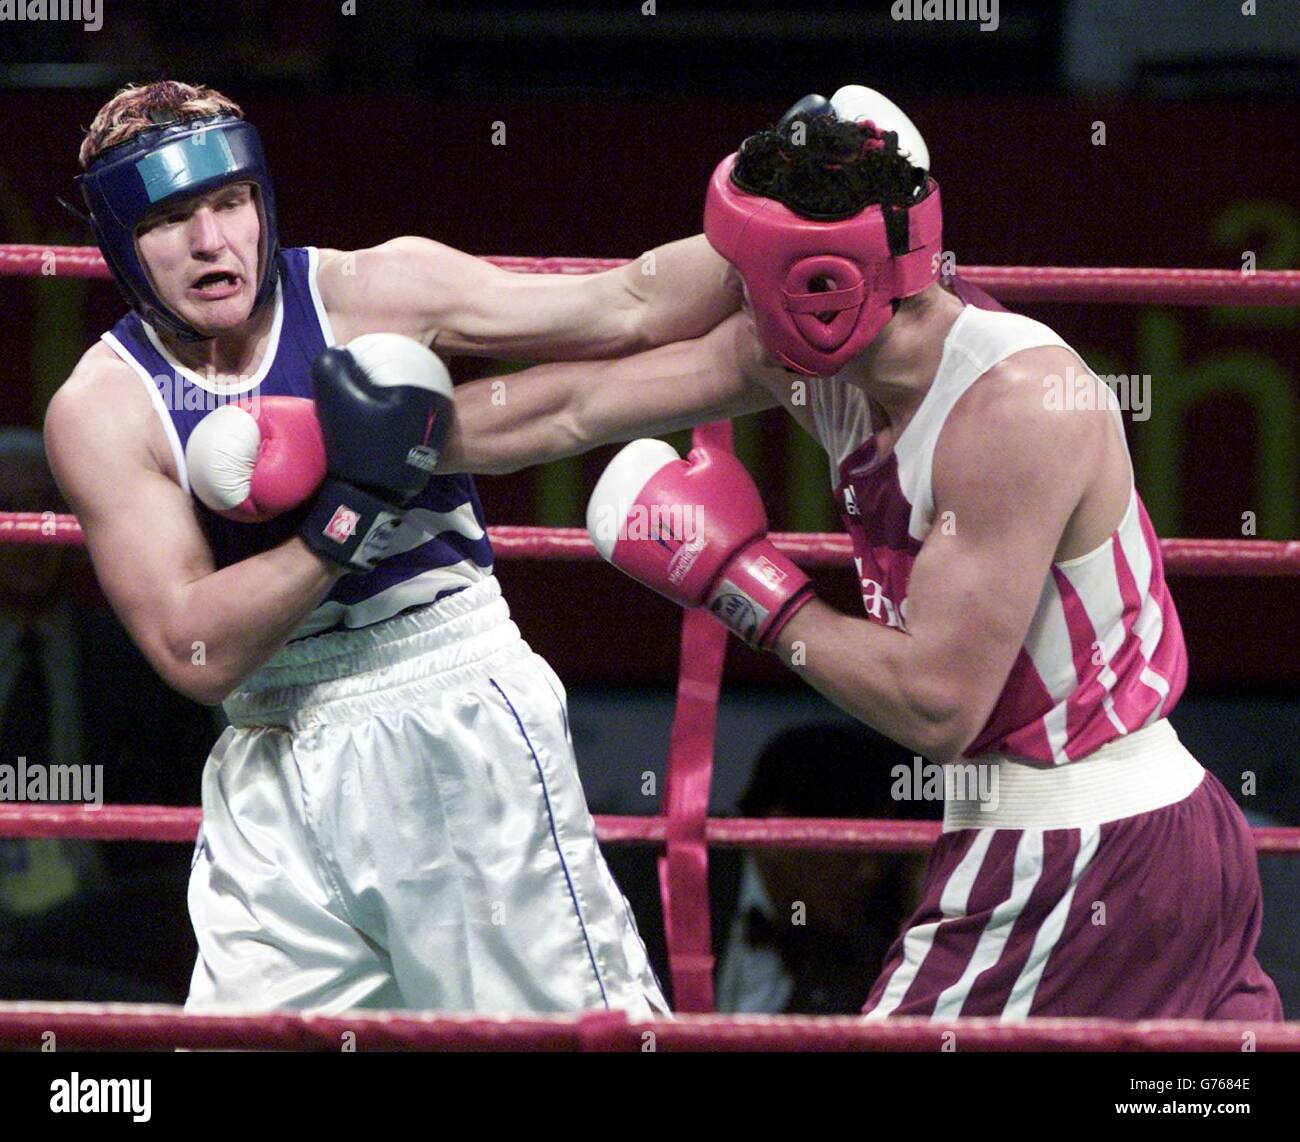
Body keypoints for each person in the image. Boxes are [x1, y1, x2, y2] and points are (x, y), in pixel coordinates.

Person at [434, 86, 1283, 1020]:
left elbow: (936, 706)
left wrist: (742, 583)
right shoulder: (817, 367)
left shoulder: (1010, 410)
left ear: (822, 291)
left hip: (1081, 844)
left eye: (747, 277)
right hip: (1109, 839)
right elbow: (578, 404)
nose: (729, 296)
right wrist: (387, 437)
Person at [43, 80, 743, 1015]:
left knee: (561, 1048)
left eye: (230, 202)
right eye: (173, 219)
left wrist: (783, 212)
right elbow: (192, 648)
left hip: (448, 709)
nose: (214, 240)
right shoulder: (104, 407)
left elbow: (624, 307)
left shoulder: (369, 290)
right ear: (122, 245)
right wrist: (351, 508)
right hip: (271, 756)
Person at [716, 722, 934, 1015]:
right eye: (854, 854)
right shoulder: (663, 889)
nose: (870, 874)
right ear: (778, 833)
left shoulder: (871, 943)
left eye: (882, 856)